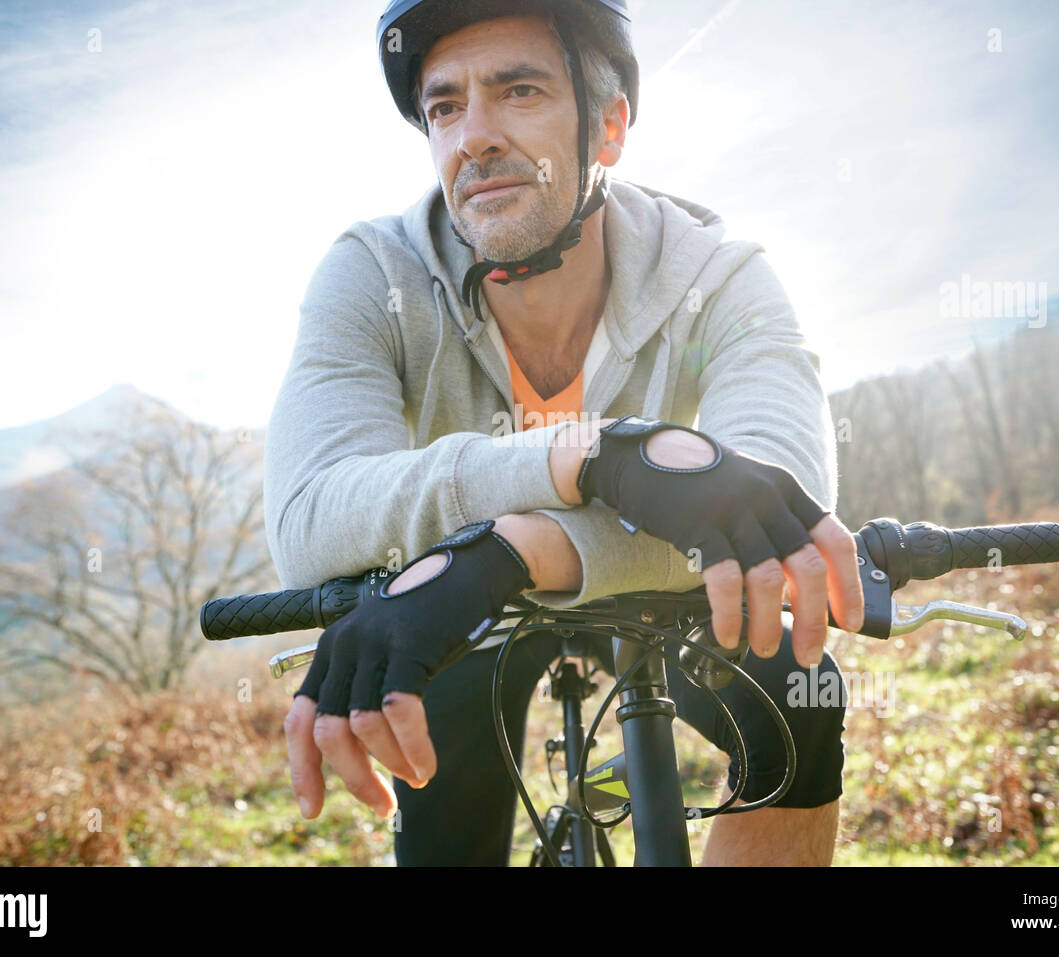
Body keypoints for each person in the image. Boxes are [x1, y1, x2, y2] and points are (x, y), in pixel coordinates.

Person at [264, 0, 864, 865]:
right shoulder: (370, 273)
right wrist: (591, 458)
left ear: (609, 126)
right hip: (459, 601)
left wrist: (508, 547)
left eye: (519, 90)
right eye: (444, 106)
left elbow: (765, 507)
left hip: (519, 575)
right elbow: (312, 514)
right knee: (443, 810)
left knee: (799, 693)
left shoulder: (721, 275)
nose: (473, 136)